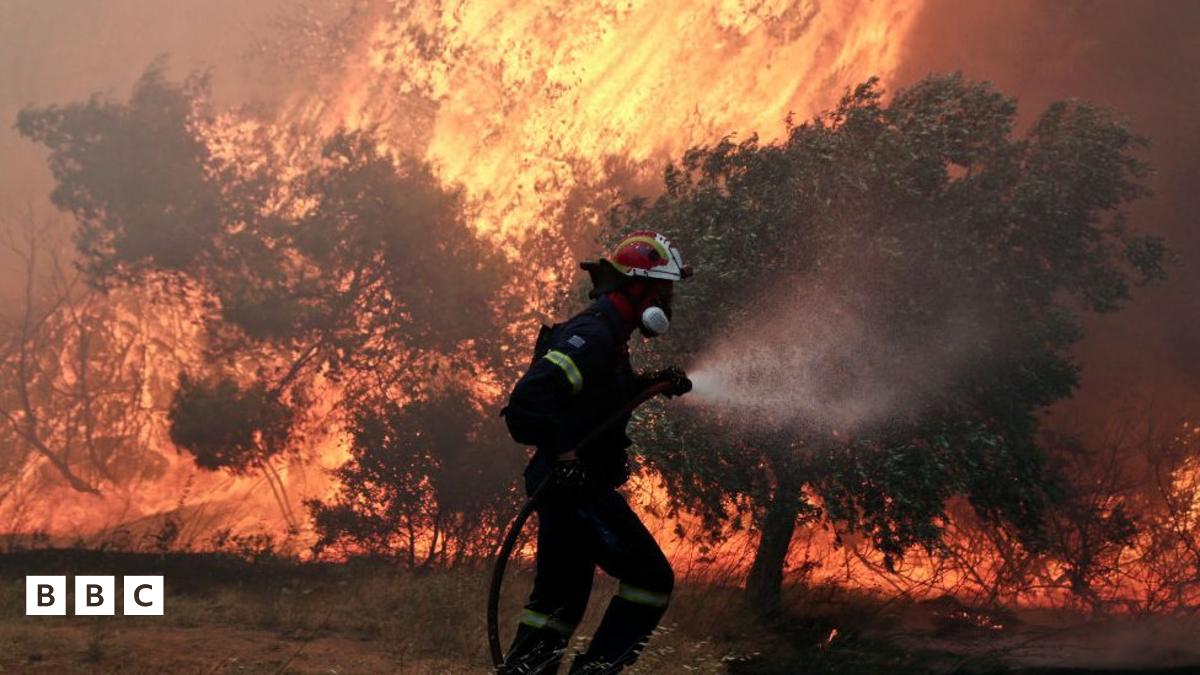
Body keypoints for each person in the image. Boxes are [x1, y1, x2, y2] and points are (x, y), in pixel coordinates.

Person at [500, 231, 694, 674]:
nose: (667, 301)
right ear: (637, 287)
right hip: (572, 485)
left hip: (569, 482)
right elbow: (529, 403)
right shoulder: (594, 334)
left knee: (557, 604)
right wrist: (566, 457)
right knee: (651, 578)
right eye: (663, 290)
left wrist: (651, 385)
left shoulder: (612, 336)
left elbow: (594, 400)